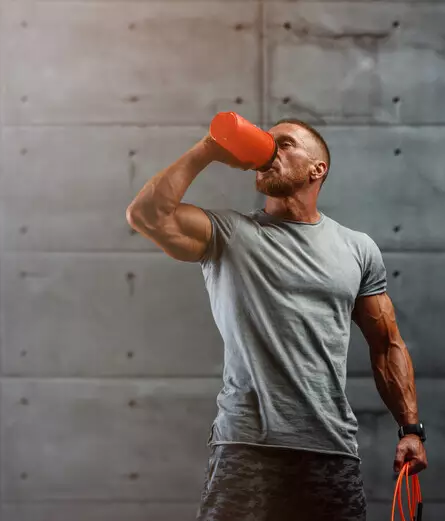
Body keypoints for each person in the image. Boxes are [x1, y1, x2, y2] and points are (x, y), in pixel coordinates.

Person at [125, 118, 427, 520]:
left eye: (284, 144)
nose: (270, 151)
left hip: (330, 450)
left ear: (317, 169)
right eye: (268, 143)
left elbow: (387, 344)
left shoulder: (357, 248)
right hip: (247, 448)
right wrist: (207, 150)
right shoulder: (227, 234)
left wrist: (410, 429)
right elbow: (147, 215)